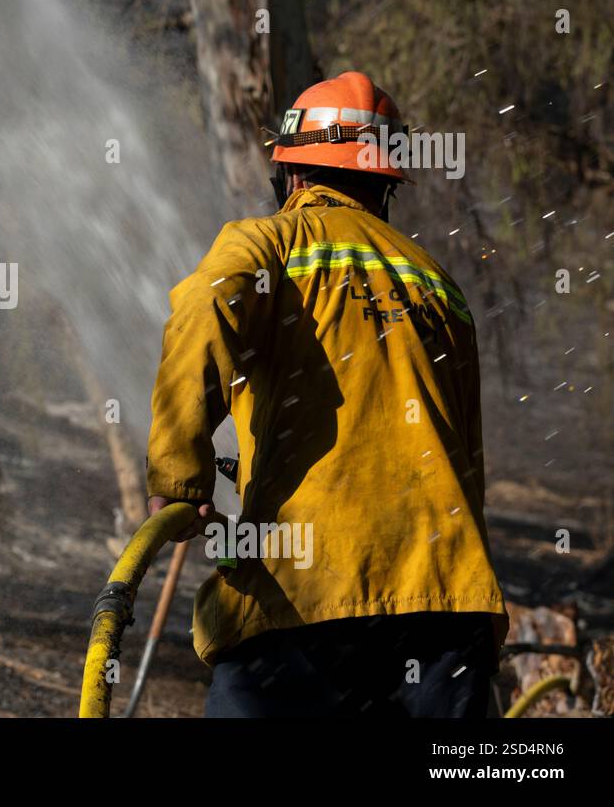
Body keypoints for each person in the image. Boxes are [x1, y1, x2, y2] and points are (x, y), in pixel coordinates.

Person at [146, 71, 509, 717]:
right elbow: (466, 465)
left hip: (305, 594)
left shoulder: (269, 245)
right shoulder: (440, 287)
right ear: (386, 183)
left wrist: (179, 480)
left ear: (292, 174)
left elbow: (204, 307)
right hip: (447, 610)